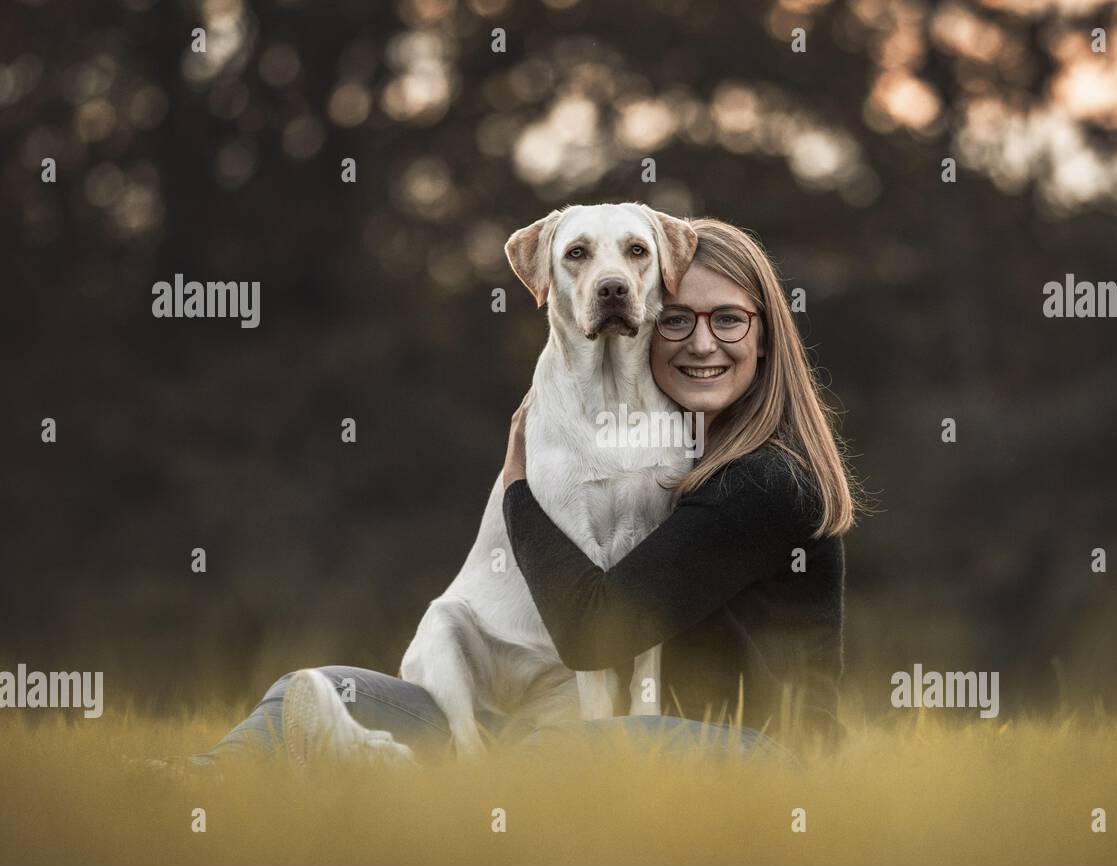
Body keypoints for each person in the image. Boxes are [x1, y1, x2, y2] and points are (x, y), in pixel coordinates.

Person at [180, 216, 865, 773]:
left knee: (542, 755)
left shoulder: (768, 481)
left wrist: (517, 488)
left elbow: (598, 630)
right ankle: (193, 781)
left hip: (764, 759)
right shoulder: (669, 451)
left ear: (768, 335)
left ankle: (384, 774)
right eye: (677, 320)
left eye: (729, 321)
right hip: (618, 729)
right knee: (324, 684)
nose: (700, 343)